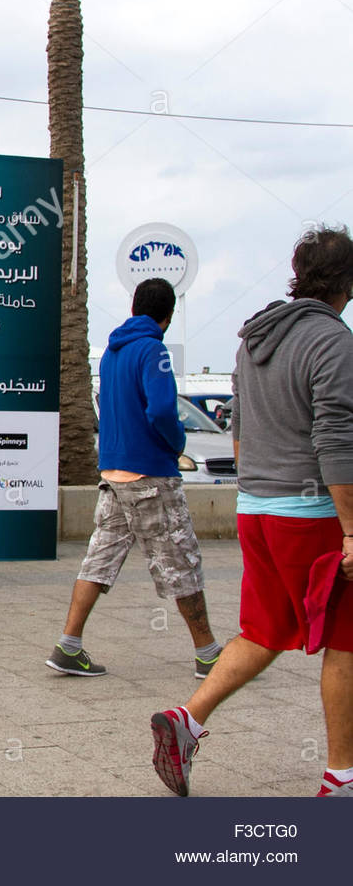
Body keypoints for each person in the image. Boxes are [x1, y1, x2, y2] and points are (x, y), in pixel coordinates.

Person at [151, 226, 353, 798]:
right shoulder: (332, 342)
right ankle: (341, 777)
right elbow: (336, 440)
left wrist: (256, 487)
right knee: (346, 638)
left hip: (256, 509)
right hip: (308, 514)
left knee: (265, 630)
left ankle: (186, 721)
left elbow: (239, 427)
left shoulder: (256, 339)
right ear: (346, 283)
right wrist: (351, 528)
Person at [46, 278, 222, 678]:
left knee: (99, 559)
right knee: (181, 561)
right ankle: (208, 652)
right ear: (168, 315)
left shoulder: (112, 352)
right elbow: (161, 410)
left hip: (113, 474)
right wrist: (176, 442)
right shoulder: (154, 349)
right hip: (150, 476)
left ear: (133, 307)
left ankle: (69, 645)